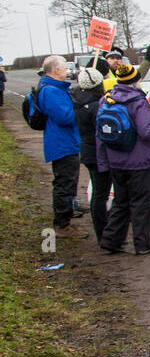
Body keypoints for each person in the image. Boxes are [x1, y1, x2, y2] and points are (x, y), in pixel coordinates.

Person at [97, 60, 150, 254]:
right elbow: (146, 132)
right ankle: (141, 243)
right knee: (141, 203)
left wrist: (103, 160)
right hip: (138, 161)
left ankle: (111, 240)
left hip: (115, 159)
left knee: (120, 201)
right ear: (136, 81)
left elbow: (100, 133)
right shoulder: (139, 102)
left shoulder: (106, 99)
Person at [36, 56, 83, 236]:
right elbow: (65, 117)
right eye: (64, 68)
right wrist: (78, 106)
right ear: (56, 70)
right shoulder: (51, 91)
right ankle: (62, 224)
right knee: (65, 183)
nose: (66, 71)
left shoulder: (54, 88)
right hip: (62, 143)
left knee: (67, 182)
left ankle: (66, 218)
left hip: (64, 141)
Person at [70, 66, 111, 241]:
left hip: (88, 151)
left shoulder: (78, 100)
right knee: (101, 194)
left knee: (99, 193)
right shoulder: (94, 105)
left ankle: (103, 231)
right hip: (97, 153)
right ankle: (103, 233)